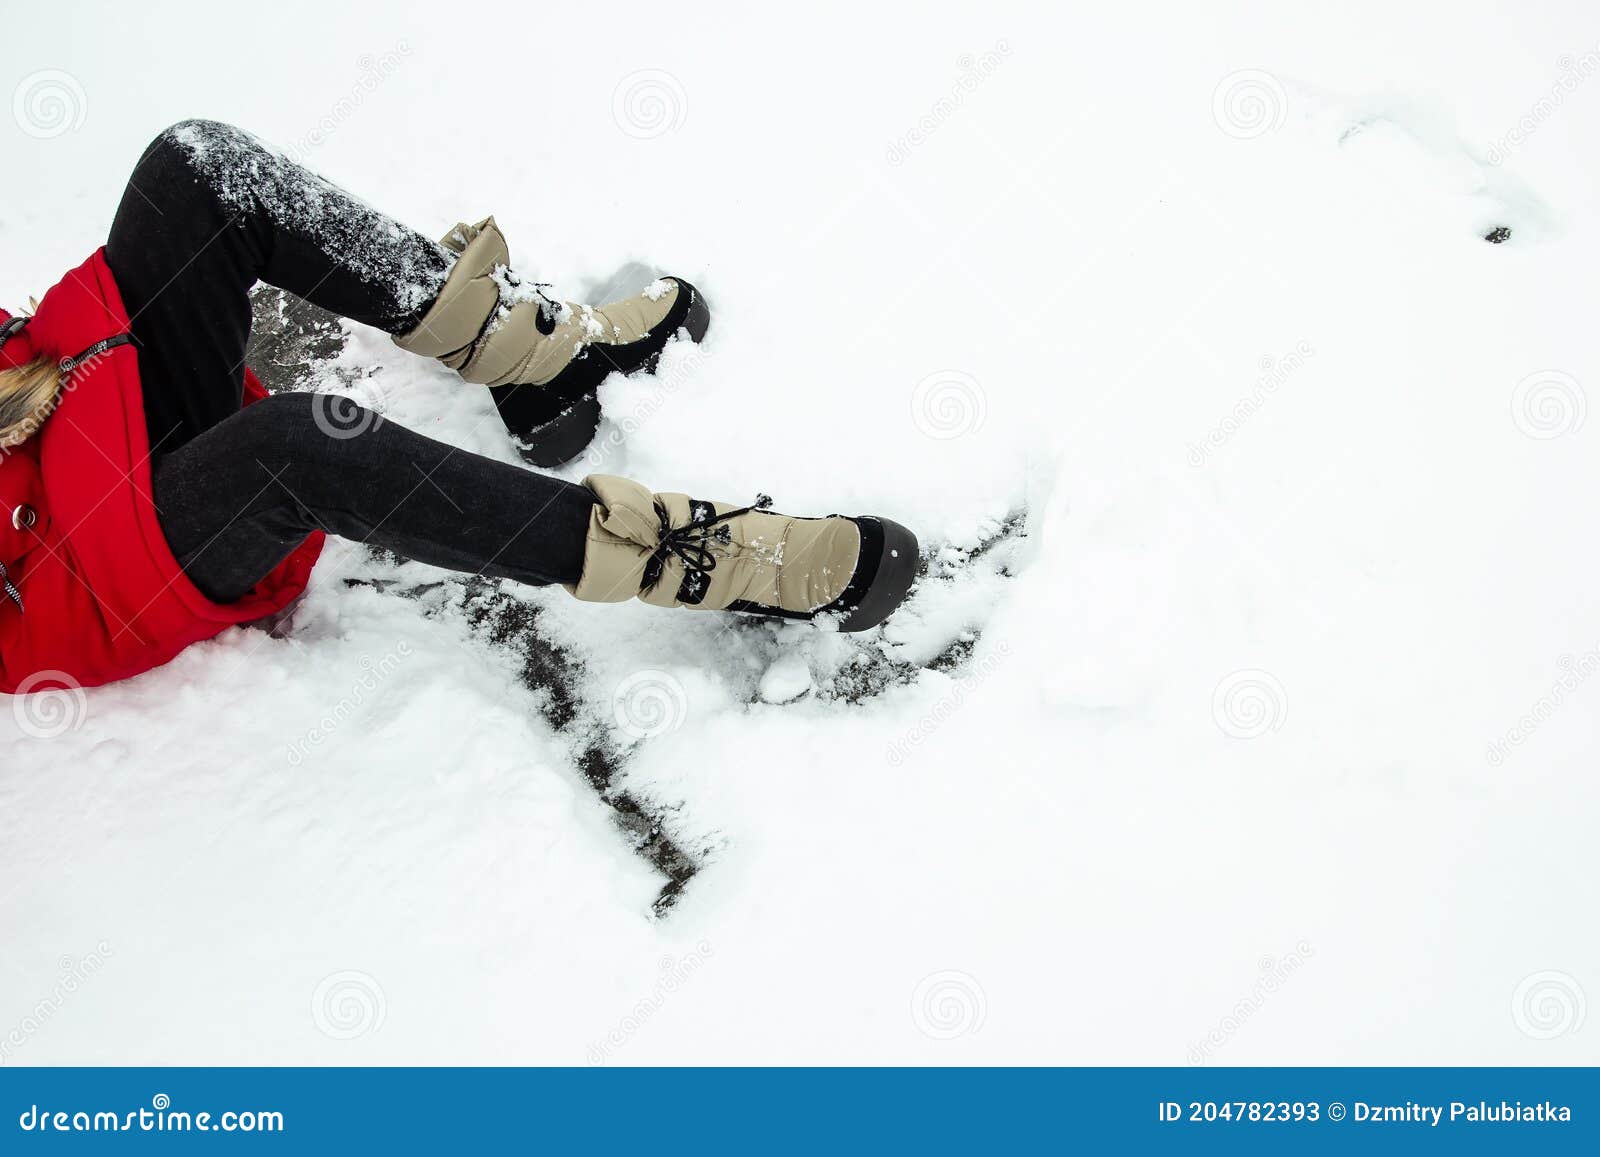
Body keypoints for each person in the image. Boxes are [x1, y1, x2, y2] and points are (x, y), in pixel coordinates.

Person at [0, 120, 916, 694]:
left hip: (64, 421)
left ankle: (538, 362)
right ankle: (694, 558)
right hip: (85, 575)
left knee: (194, 170)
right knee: (300, 444)